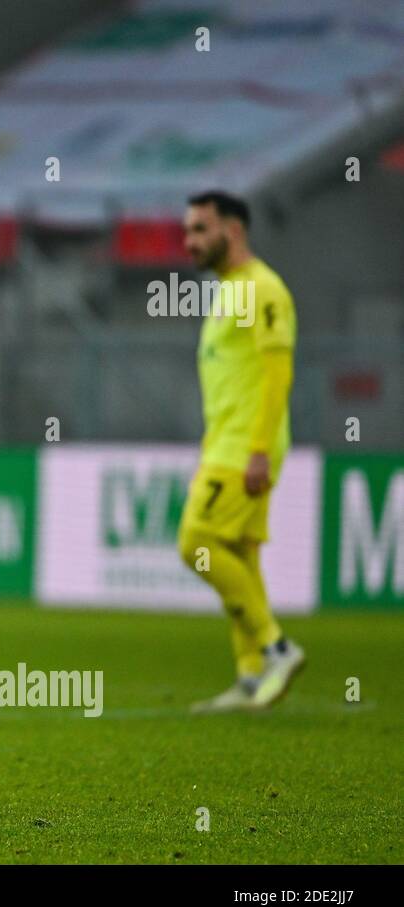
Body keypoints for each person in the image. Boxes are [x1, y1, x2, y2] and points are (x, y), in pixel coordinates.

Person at [177, 190, 303, 713]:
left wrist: (256, 451)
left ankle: (277, 647)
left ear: (232, 230)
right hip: (226, 444)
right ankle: (251, 675)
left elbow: (278, 373)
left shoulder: (263, 288)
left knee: (197, 542)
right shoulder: (230, 290)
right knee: (240, 556)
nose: (190, 242)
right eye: (188, 231)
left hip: (243, 449)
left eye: (200, 229)